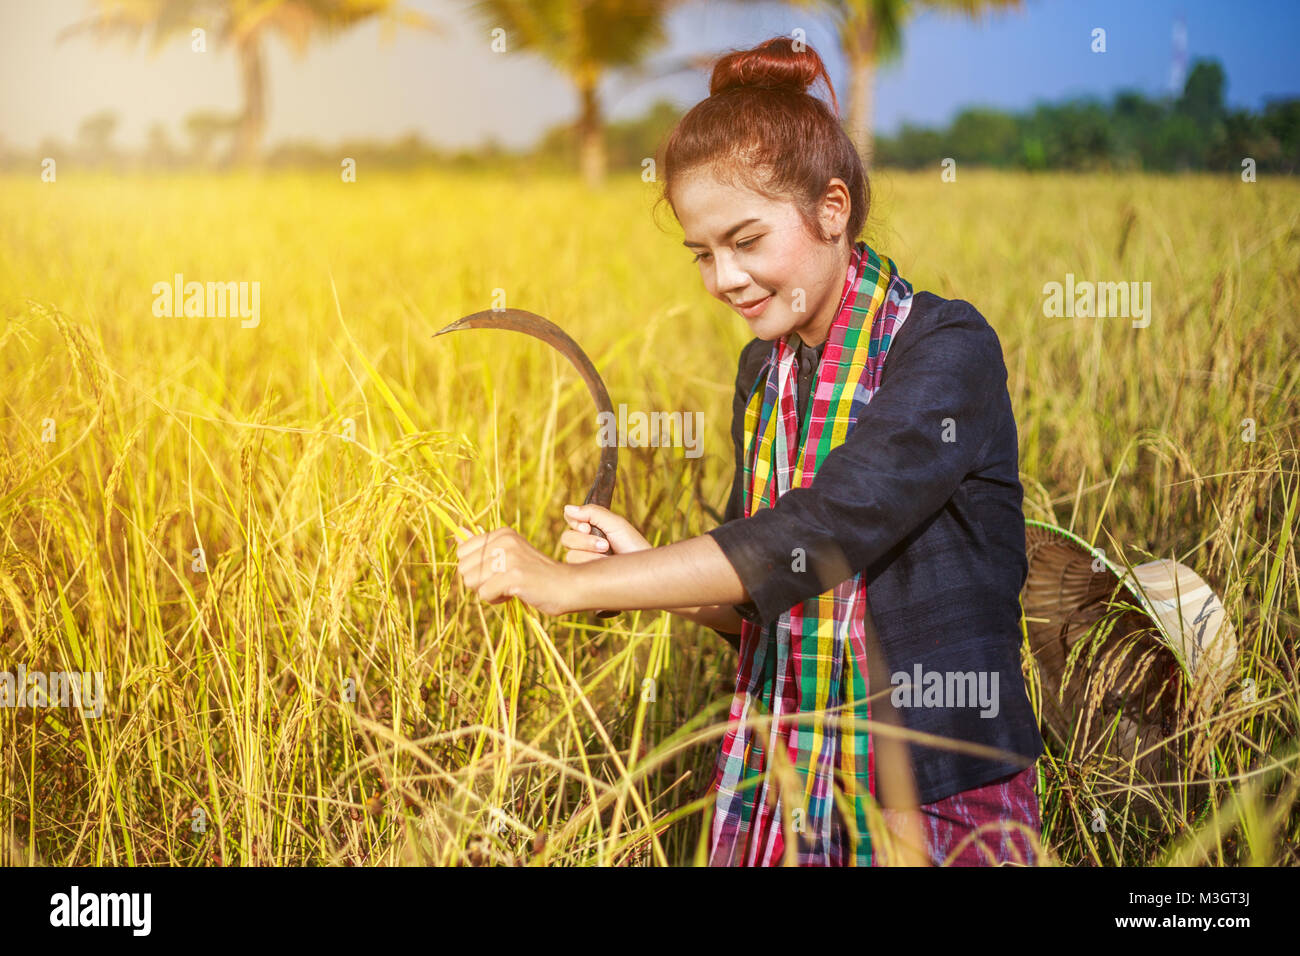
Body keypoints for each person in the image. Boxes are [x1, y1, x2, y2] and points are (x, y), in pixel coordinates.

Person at [455, 35, 1045, 867]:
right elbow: (758, 601)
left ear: (832, 210)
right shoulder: (765, 374)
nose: (725, 277)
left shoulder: (947, 349)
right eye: (702, 253)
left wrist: (570, 584)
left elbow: (821, 532)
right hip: (794, 779)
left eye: (746, 240)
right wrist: (638, 572)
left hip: (942, 792)